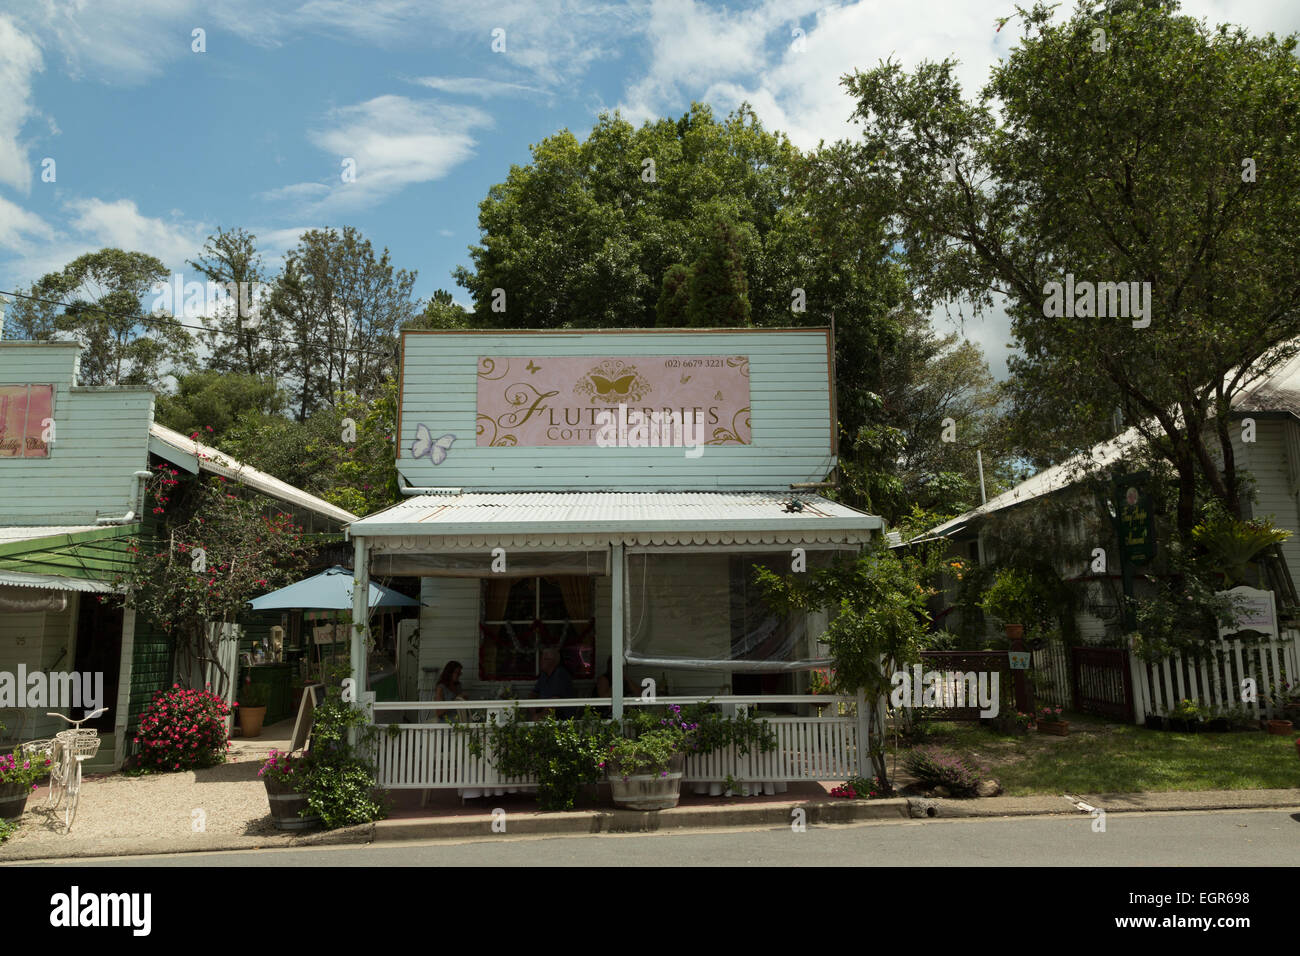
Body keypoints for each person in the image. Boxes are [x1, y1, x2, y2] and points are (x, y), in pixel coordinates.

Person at [531, 647, 574, 718]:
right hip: (544, 710)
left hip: (560, 715)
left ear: (554, 661)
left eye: (545, 659)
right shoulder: (544, 675)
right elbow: (534, 693)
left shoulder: (560, 675)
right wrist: (532, 709)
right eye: (541, 658)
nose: (541, 661)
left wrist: (540, 716)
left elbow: (555, 701)